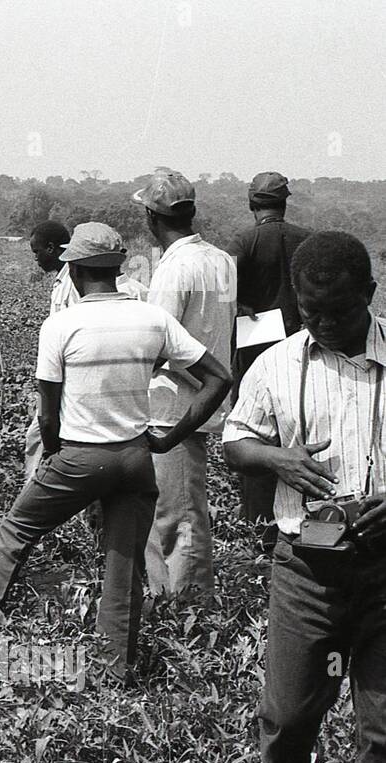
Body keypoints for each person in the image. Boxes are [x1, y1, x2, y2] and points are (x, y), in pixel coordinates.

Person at [0, 223, 231, 679]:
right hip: (135, 460)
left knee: (16, 531)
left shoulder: (61, 325)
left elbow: (49, 415)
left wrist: (52, 458)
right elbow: (219, 378)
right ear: (118, 268)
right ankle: (116, 671)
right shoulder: (152, 319)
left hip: (80, 456)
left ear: (72, 269)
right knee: (123, 565)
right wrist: (170, 438)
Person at [223, 230, 386, 763]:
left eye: (339, 311)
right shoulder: (275, 364)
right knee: (288, 711)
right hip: (305, 570)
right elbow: (236, 441)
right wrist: (275, 459)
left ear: (369, 292)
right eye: (311, 311)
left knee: (383, 728)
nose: (323, 324)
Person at [134, 169, 236, 599]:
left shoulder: (175, 268)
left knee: (177, 513)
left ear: (151, 217)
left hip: (174, 403)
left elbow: (157, 342)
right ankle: (170, 594)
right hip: (206, 398)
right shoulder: (221, 259)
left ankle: (187, 605)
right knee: (178, 506)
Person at [225, 172, 312, 550]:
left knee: (255, 430)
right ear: (285, 201)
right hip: (301, 341)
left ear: (251, 202)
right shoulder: (306, 240)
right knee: (300, 426)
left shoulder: (244, 241)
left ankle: (260, 523)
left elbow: (227, 295)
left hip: (255, 343)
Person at [24, 220, 148, 478]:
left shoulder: (76, 283)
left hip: (71, 387)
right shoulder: (64, 281)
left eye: (37, 251)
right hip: (64, 383)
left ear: (51, 249)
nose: (35, 258)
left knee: (45, 444)